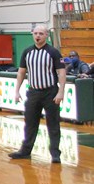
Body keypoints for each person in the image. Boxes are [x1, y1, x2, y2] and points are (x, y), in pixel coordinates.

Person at [9, 24, 67, 163]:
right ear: (32, 34)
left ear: (46, 35)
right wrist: (16, 91)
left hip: (50, 92)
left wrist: (61, 92)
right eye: (35, 33)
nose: (38, 36)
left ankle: (55, 153)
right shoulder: (27, 52)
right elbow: (21, 72)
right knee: (30, 123)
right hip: (33, 92)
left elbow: (62, 72)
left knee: (53, 124)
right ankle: (25, 151)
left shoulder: (53, 52)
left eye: (41, 33)